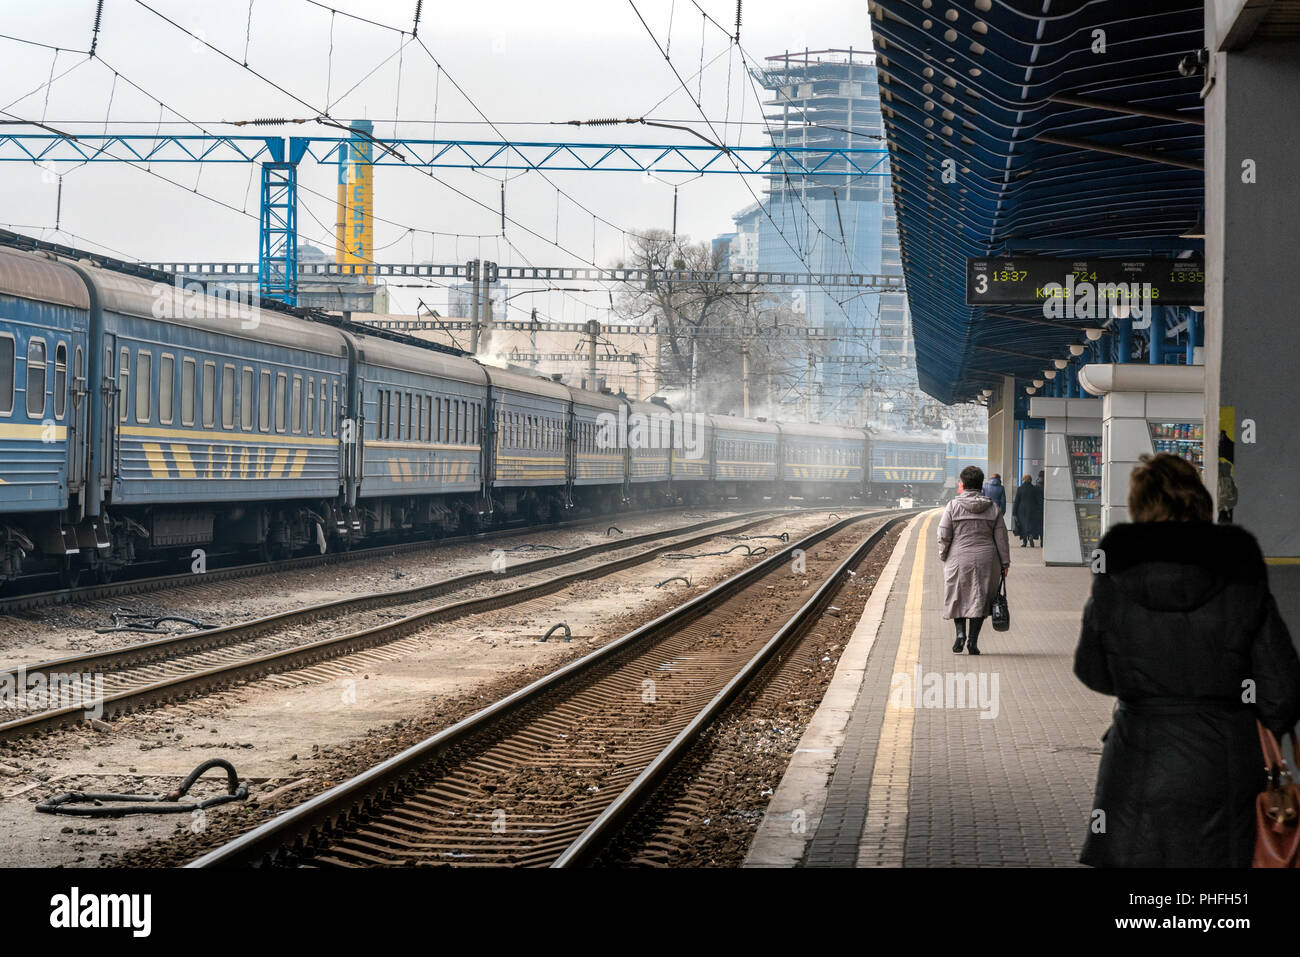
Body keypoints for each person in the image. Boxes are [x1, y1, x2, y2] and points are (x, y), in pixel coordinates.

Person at [1074, 453, 1300, 867]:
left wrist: (1141, 688)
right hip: (1225, 765)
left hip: (1137, 755)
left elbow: (1091, 670)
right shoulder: (1240, 569)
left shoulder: (1115, 572)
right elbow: (1282, 690)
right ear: (1202, 502)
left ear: (1139, 506)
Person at [938, 465, 1010, 655]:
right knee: (981, 597)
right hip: (987, 559)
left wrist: (943, 554)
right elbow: (1002, 538)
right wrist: (1005, 563)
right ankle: (972, 642)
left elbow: (944, 534)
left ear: (963, 484)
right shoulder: (993, 507)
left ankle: (960, 635)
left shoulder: (952, 506)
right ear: (980, 485)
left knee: (958, 595)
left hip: (959, 557)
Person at [1011, 475, 1036, 547]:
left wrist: (1014, 512)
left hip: (1021, 510)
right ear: (1030, 480)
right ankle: (1030, 535)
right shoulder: (1034, 489)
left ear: (1023, 480)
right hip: (1031, 509)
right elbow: (1036, 500)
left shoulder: (1020, 489)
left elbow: (1016, 501)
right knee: (1030, 524)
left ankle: (1024, 542)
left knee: (1022, 525)